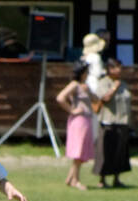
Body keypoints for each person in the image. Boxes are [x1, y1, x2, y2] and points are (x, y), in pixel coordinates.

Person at [92, 58, 132, 189]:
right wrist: (114, 88)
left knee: (120, 152)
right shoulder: (104, 83)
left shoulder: (124, 84)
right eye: (115, 67)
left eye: (120, 67)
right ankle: (102, 179)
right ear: (109, 69)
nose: (118, 70)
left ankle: (117, 178)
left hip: (122, 121)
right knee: (105, 151)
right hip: (108, 121)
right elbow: (105, 98)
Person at [56, 61, 95, 189]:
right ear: (83, 73)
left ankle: (70, 178)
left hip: (86, 120)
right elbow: (60, 97)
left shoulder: (84, 87)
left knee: (82, 150)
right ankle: (75, 180)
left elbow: (97, 99)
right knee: (78, 151)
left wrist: (88, 90)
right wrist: (72, 110)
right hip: (79, 121)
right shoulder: (74, 85)